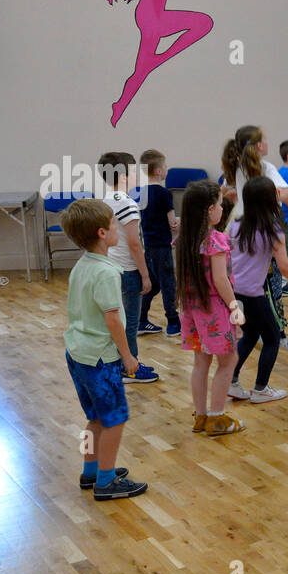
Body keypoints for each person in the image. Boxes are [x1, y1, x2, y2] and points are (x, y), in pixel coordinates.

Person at [61, 0, 213, 127]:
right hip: (151, 16)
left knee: (141, 71)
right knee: (203, 23)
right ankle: (157, 61)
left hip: (154, 15)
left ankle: (120, 106)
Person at [60, 198, 147, 500]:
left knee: (94, 417)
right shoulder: (108, 273)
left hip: (77, 353)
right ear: (101, 233)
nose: (118, 229)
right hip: (100, 358)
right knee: (114, 419)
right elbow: (113, 319)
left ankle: (90, 471)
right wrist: (128, 356)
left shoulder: (82, 265)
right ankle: (106, 481)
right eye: (113, 225)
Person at [174, 180, 246, 437]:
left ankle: (201, 415)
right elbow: (220, 279)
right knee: (228, 361)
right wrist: (233, 305)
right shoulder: (215, 240)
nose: (221, 209)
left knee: (200, 362)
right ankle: (217, 417)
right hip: (214, 308)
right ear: (208, 210)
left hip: (192, 308)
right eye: (217, 204)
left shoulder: (185, 239)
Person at [226, 176, 288, 404]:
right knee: (272, 338)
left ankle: (232, 380)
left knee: (250, 334)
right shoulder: (272, 228)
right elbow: (284, 264)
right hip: (253, 295)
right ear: (270, 200)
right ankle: (260, 389)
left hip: (235, 292)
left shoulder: (236, 224)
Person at [98, 151, 157, 384]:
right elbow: (135, 243)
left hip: (110, 267)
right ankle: (130, 367)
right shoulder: (127, 203)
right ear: (122, 176)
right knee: (130, 322)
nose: (136, 176)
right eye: (133, 171)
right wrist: (145, 274)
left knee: (119, 319)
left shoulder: (105, 201)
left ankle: (124, 362)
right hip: (127, 270)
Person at [135, 149, 180, 337]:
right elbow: (172, 223)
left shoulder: (141, 192)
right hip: (162, 246)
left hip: (149, 246)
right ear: (159, 171)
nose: (167, 169)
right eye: (166, 166)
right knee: (168, 283)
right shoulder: (163, 193)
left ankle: (141, 319)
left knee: (152, 284)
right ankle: (173, 323)